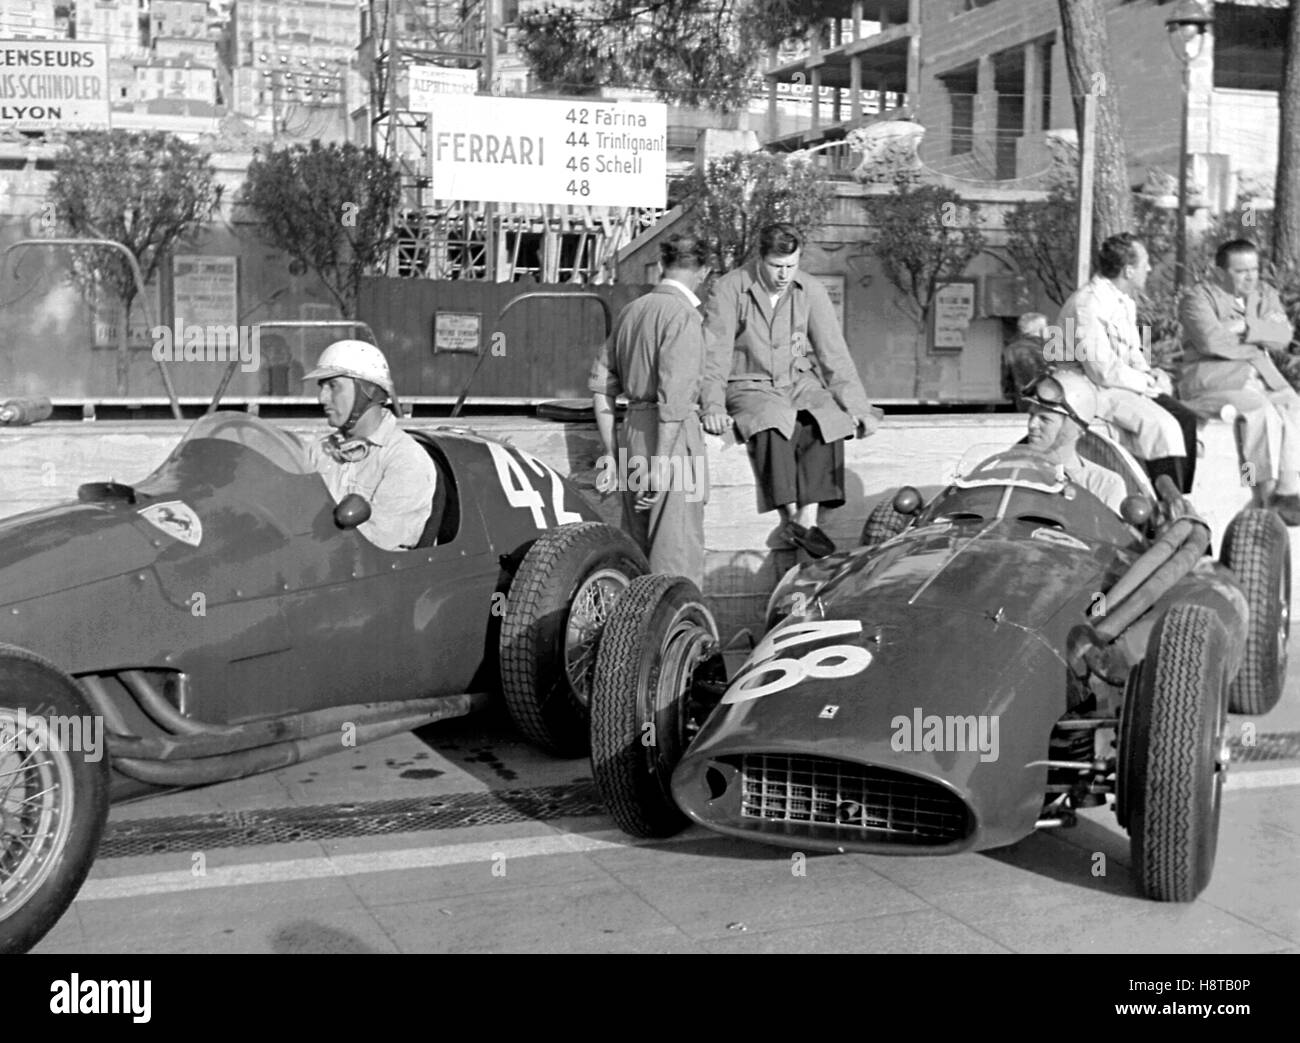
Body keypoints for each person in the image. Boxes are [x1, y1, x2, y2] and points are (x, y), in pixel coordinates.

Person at [701, 222, 879, 559]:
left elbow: (833, 352)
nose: (784, 274)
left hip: (797, 380)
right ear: (760, 258)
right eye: (776, 266)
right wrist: (712, 406)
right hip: (748, 382)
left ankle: (805, 517)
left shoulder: (810, 289)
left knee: (827, 417)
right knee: (771, 421)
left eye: (791, 265)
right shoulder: (728, 288)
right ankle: (790, 513)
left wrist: (858, 407)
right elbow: (715, 353)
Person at [589, 233, 713, 586]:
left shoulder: (632, 311)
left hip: (632, 436)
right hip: (670, 445)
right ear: (704, 271)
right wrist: (661, 465)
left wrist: (614, 457)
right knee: (678, 556)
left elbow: (601, 389)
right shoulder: (684, 316)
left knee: (638, 554)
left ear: (662, 266)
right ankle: (676, 638)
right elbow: (674, 403)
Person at [1056, 232, 1198, 493]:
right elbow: (1101, 370)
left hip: (1119, 385)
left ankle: (1179, 501)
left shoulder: (1123, 302)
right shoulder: (1088, 303)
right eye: (1145, 263)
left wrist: (1150, 373)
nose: (1149, 268)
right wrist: (1145, 382)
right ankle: (1164, 504)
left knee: (1185, 420)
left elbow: (1132, 352)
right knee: (1163, 427)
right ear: (1129, 270)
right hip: (1090, 389)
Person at [1179, 238, 1300, 524]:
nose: (1250, 277)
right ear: (1220, 272)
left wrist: (1245, 326)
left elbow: (1283, 336)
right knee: (1260, 411)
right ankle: (1266, 494)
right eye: (1240, 271)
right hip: (1214, 382)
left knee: (1293, 406)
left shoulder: (1265, 293)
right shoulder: (1197, 298)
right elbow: (1210, 342)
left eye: (1254, 269)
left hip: (1263, 377)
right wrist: (1259, 337)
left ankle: (1288, 487)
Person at [303, 339, 438, 552]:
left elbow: (384, 543)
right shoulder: (318, 451)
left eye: (333, 386)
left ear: (366, 391)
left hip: (376, 576)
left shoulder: (405, 458)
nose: (322, 398)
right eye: (321, 387)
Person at [1021, 369, 1127, 514]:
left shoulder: (1104, 484)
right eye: (1031, 415)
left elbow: (1111, 535)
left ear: (1074, 428)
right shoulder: (1012, 473)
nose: (1032, 425)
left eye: (1045, 419)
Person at [1003, 311, 1050, 405]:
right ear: (1040, 330)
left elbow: (1007, 380)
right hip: (1050, 399)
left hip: (1023, 402)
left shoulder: (1010, 350)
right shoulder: (1051, 348)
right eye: (1046, 326)